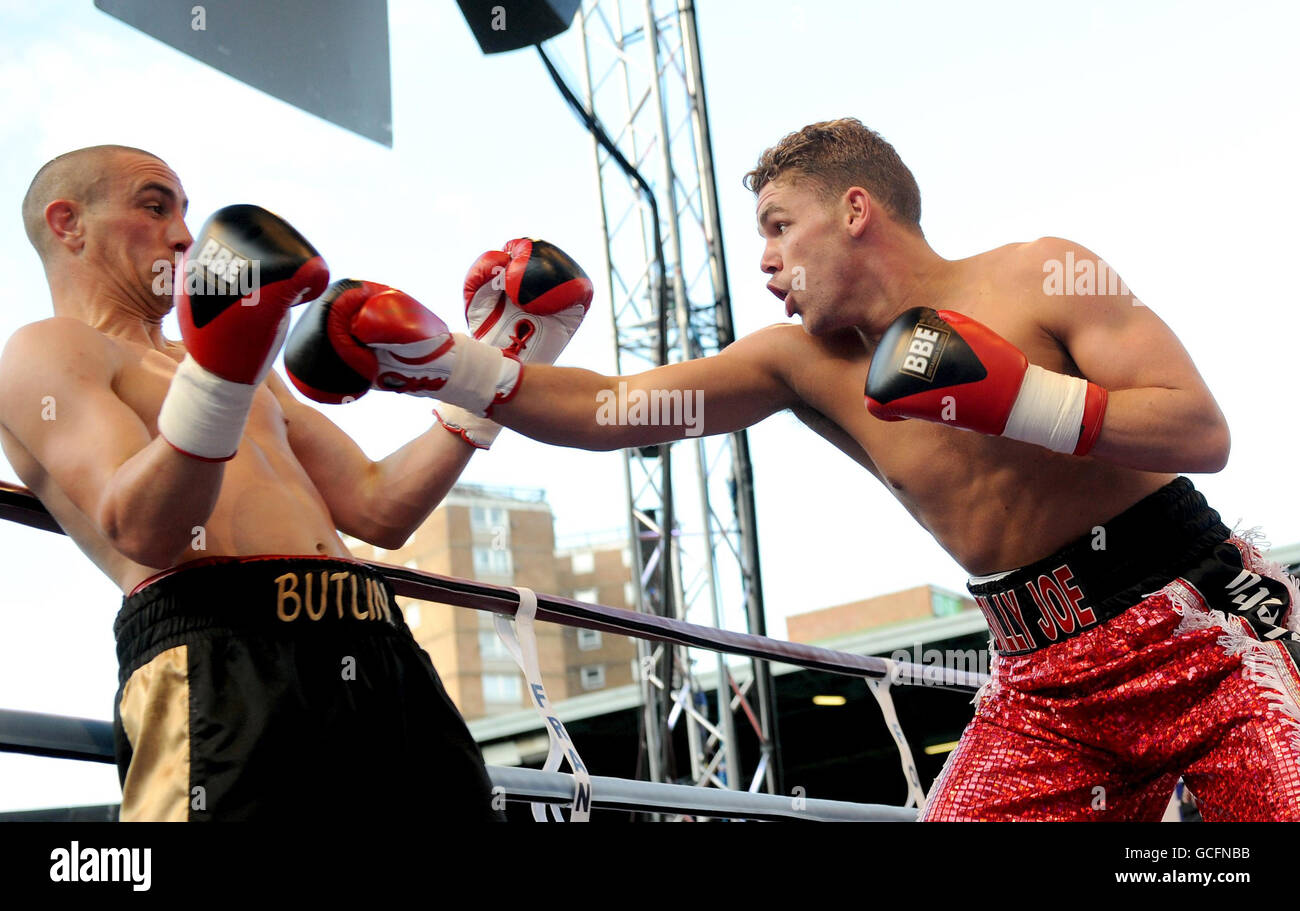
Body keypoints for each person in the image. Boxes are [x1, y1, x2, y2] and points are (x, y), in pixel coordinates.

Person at [291, 119, 1300, 821]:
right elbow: (610, 409)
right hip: (1038, 682)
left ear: (855, 208)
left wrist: (1010, 396)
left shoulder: (1036, 273)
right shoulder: (797, 363)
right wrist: (445, 360)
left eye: (778, 225)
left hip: (1203, 633)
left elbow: (1198, 429)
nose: (764, 259)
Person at [0, 144, 588, 821]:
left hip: (376, 644)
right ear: (68, 222)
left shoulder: (234, 365)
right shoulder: (48, 350)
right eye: (155, 206)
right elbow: (147, 528)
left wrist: (495, 369)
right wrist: (221, 373)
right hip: (222, 655)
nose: (185, 235)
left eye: (187, 212)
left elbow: (379, 505)